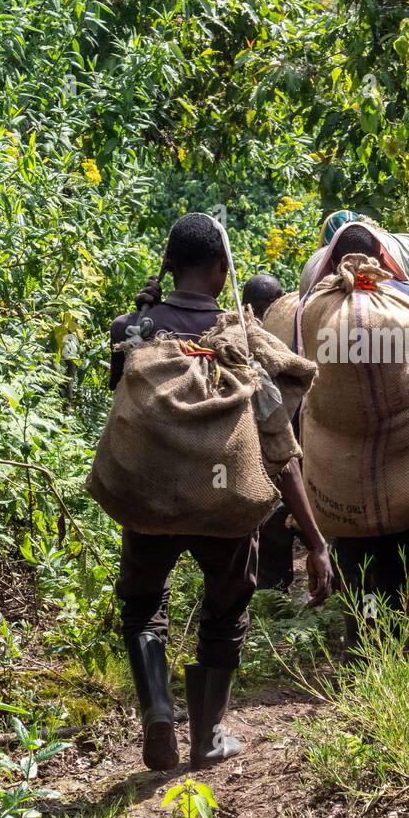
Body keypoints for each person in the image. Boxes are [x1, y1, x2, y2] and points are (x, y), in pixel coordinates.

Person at [109, 216, 332, 771]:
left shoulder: (133, 329)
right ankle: (207, 738)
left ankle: (158, 710)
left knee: (142, 605)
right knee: (226, 608)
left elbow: (123, 392)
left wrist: (141, 312)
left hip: (153, 500)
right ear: (220, 269)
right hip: (225, 505)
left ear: (168, 265)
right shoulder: (245, 340)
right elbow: (279, 449)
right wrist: (316, 541)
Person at [297, 220, 409, 642]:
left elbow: (303, 371)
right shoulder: (405, 298)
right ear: (381, 256)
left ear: (332, 259)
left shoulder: (315, 306)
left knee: (356, 560)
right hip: (404, 457)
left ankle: (363, 647)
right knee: (408, 556)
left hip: (343, 470)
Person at [299, 209, 409, 378]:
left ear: (332, 262)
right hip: (402, 387)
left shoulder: (314, 301)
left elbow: (303, 353)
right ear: (381, 258)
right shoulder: (405, 291)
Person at [240, 273, 298, 590]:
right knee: (274, 515)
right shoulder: (261, 341)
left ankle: (271, 583)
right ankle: (273, 586)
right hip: (268, 444)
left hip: (266, 444)